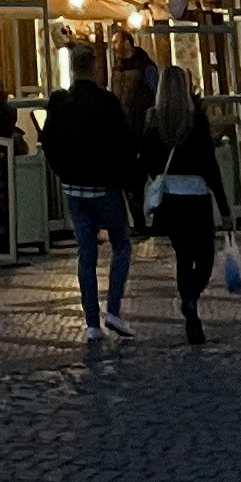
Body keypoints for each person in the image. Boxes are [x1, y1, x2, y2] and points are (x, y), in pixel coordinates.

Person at [42, 63, 144, 344]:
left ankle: (91, 323)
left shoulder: (62, 104)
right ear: (93, 68)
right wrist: (128, 181)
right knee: (121, 244)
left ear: (72, 69)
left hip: (74, 188)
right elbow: (123, 143)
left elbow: (48, 141)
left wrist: (63, 172)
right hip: (105, 187)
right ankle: (112, 309)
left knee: (86, 254)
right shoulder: (106, 102)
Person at [147, 65, 234, 346]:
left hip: (171, 200)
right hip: (196, 199)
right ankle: (190, 299)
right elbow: (210, 167)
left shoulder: (154, 120)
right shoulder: (195, 120)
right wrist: (225, 208)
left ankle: (190, 308)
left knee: (184, 256)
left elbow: (147, 161)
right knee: (205, 256)